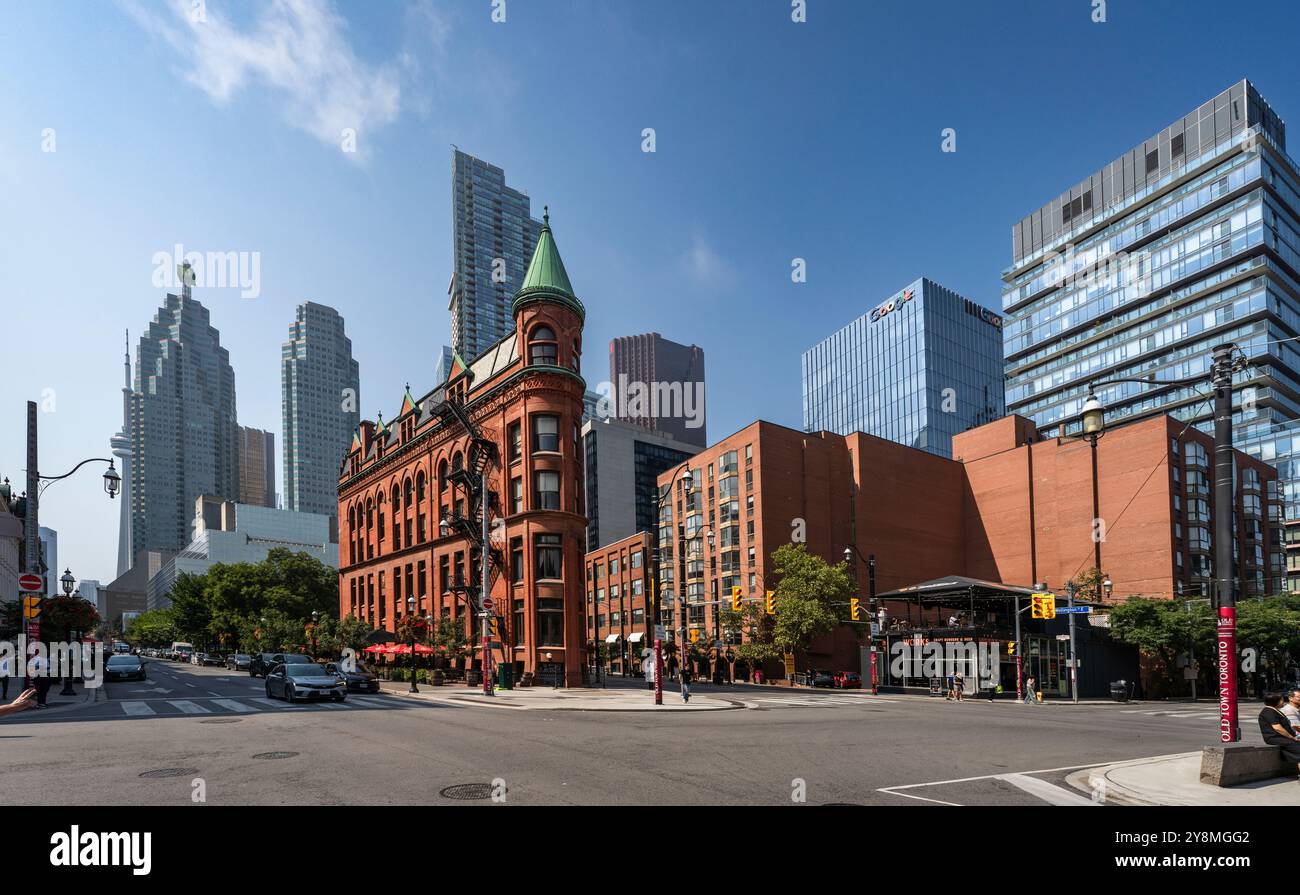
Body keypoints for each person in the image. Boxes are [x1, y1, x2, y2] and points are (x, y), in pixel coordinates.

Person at [1259, 691, 1300, 781]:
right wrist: (1291, 737)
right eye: (1281, 700)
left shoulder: (1274, 710)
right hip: (1275, 738)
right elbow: (1277, 728)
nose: (1283, 701)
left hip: (1282, 738)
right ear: (1276, 701)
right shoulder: (1268, 711)